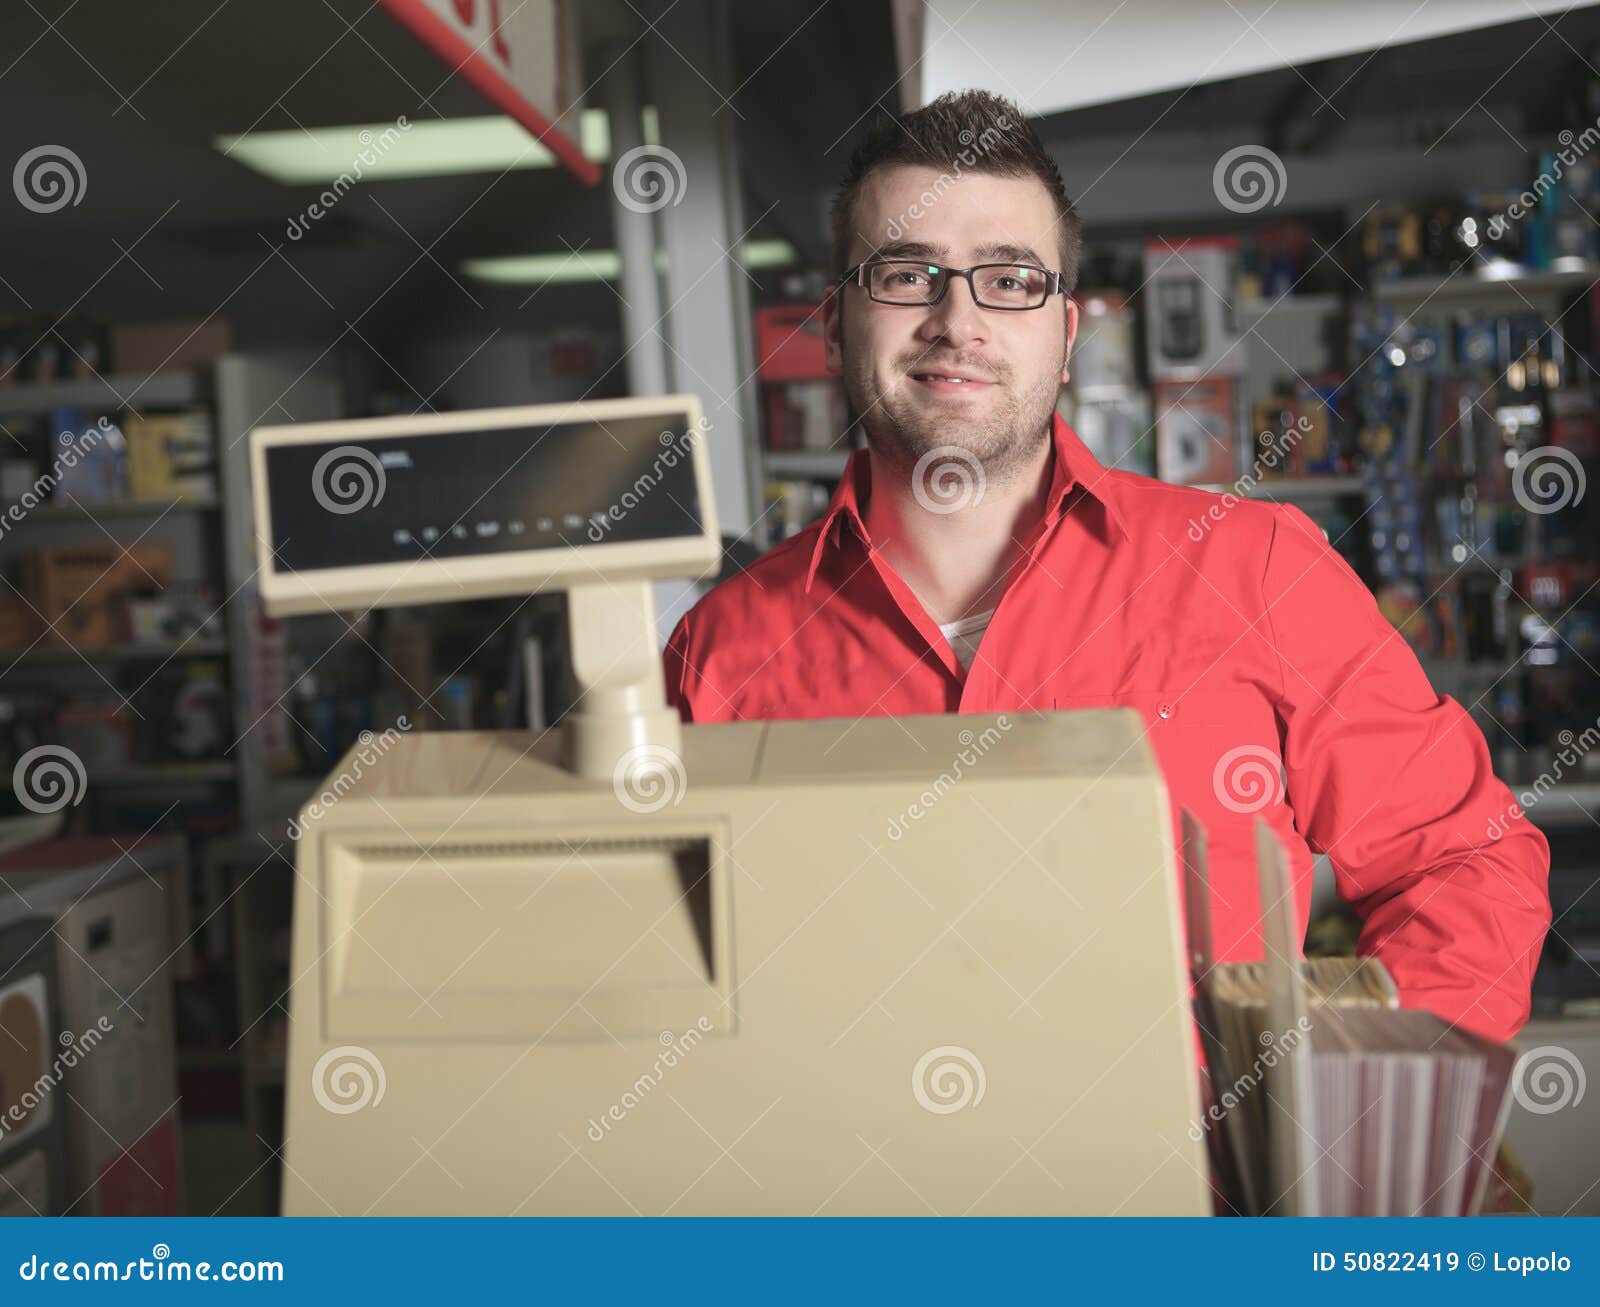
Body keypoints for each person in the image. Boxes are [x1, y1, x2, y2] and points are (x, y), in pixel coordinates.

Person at [663, 88, 1550, 1044]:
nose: (957, 320)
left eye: (1010, 280)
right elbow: (661, 976)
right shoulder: (721, 655)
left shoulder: (1254, 569)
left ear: (1067, 336)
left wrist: (1355, 1101)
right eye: (908, 274)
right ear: (835, 324)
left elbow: (1464, 861)